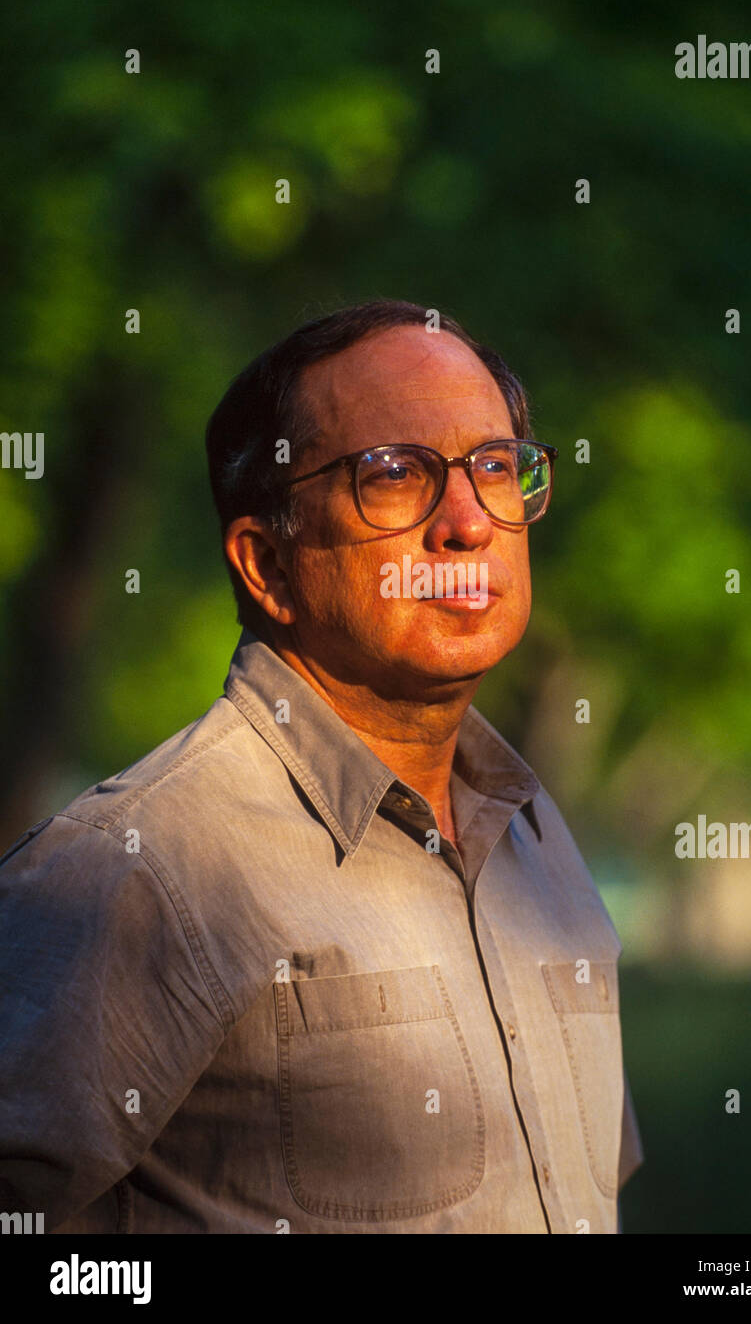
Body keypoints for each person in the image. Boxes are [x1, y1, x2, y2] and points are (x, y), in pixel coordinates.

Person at [0, 299, 642, 1234]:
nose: (467, 524)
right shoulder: (134, 868)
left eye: (495, 468)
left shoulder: (535, 837)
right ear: (266, 564)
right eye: (394, 476)